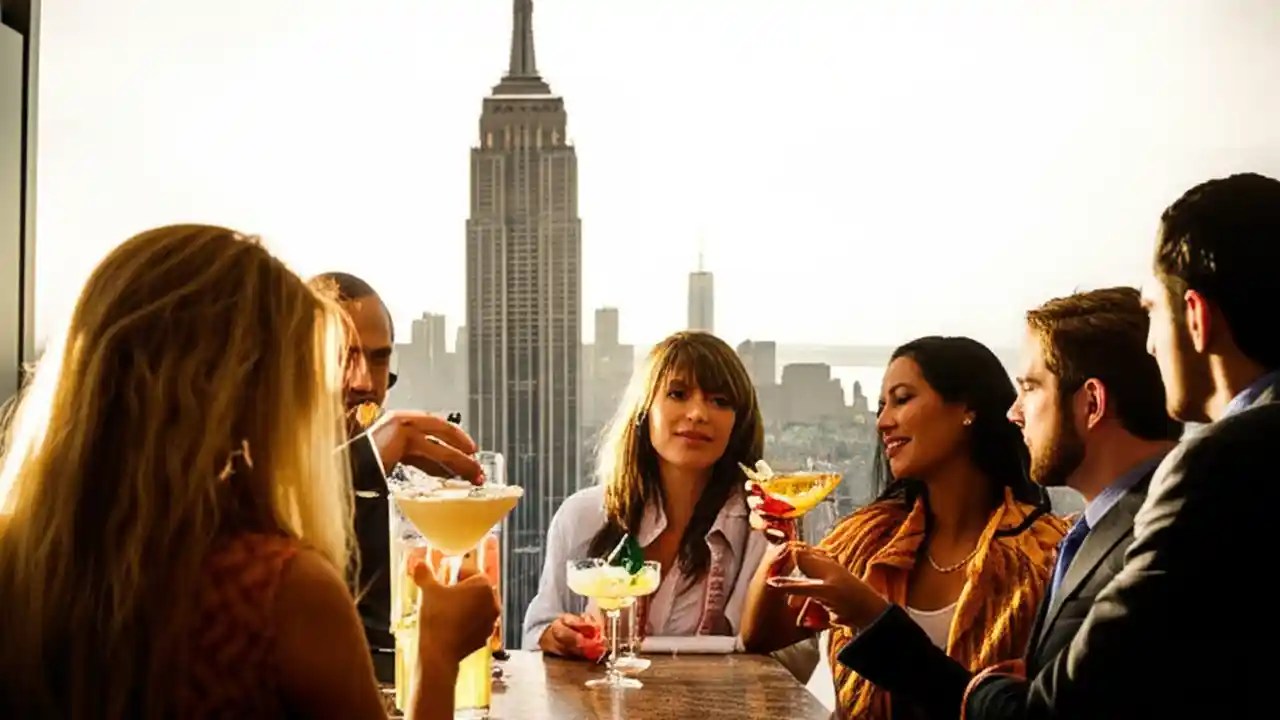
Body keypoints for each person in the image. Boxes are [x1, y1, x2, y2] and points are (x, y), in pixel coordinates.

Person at [0, 225, 497, 719]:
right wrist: (437, 654)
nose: (358, 383)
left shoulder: (23, 564)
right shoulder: (279, 591)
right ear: (230, 390)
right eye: (300, 368)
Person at [950, 172, 1279, 717]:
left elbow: (1065, 710)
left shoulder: (1219, 467)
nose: (1151, 345)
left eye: (1153, 312)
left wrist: (985, 694)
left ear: (1195, 317)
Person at [784, 288, 1181, 719]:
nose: (1014, 413)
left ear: (1091, 403)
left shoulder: (1151, 539)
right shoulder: (1095, 535)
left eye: (1030, 388)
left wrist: (873, 620)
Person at [741, 336, 1066, 719]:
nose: (882, 421)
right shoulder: (869, 538)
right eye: (881, 406)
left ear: (967, 408)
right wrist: (781, 541)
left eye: (902, 399)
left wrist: (867, 615)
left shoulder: (1042, 553)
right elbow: (761, 637)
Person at [523, 331, 770, 657]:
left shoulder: (762, 525)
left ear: (738, 423)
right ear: (644, 410)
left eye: (720, 401)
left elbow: (790, 657)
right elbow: (536, 634)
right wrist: (556, 637)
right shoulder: (583, 515)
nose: (698, 413)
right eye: (678, 394)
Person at [310, 272, 482, 681]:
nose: (365, 383)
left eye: (378, 358)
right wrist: (367, 457)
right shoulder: (255, 462)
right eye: (342, 356)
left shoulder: (406, 466)